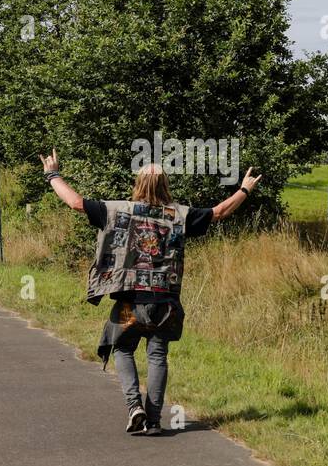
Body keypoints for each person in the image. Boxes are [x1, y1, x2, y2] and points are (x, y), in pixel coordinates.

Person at [41, 150, 261, 435]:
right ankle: (155, 420)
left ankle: (135, 407)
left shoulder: (117, 210)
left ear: (139, 185)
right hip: (164, 301)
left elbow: (75, 203)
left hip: (130, 300)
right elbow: (220, 212)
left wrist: (53, 174)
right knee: (158, 356)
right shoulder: (180, 215)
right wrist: (244, 189)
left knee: (122, 348)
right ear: (165, 186)